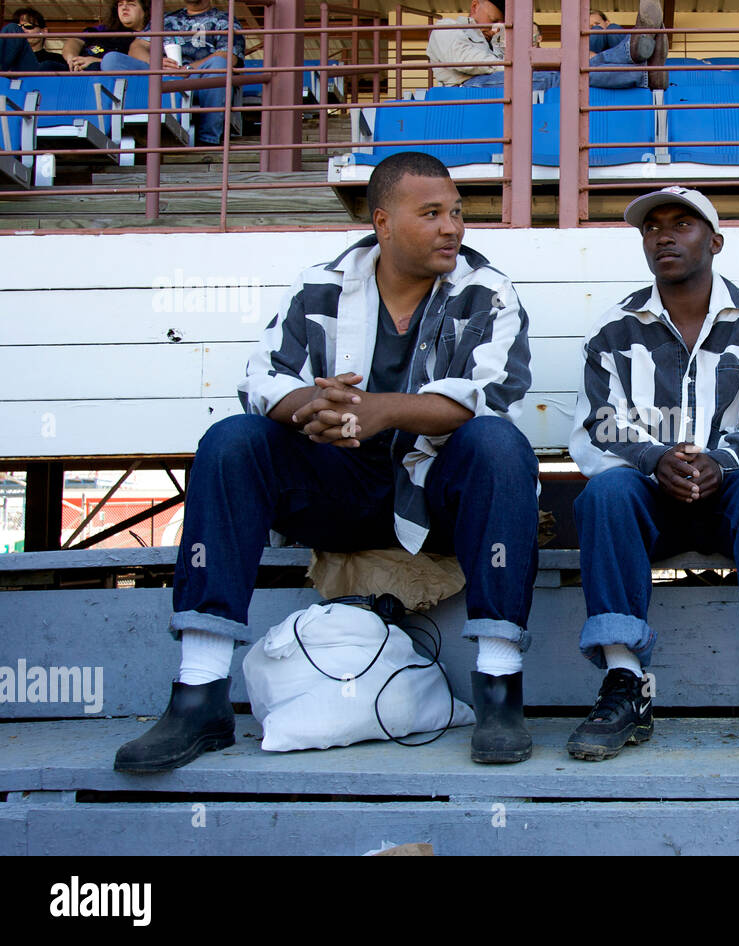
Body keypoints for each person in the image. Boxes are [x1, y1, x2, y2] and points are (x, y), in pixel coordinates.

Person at [113, 152, 540, 772]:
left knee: (499, 444)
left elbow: (492, 395)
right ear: (383, 222)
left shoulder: (486, 291)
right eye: (431, 213)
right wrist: (311, 408)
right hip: (337, 489)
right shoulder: (320, 284)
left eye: (456, 212)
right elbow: (264, 380)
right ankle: (199, 693)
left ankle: (499, 688)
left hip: (433, 496)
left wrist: (380, 410)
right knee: (232, 440)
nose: (452, 227)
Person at [566, 185, 739, 761]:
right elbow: (599, 423)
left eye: (682, 224)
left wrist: (721, 462)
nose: (663, 237)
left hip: (733, 504)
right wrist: (655, 459)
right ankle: (624, 679)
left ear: (715, 242)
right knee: (607, 491)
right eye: (652, 228)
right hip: (653, 501)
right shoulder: (613, 330)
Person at [428, 0, 664, 91]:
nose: (495, 27)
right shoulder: (446, 27)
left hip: (495, 81)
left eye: (500, 22)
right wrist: (518, 64)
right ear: (474, 7)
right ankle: (637, 61)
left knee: (566, 74)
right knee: (556, 78)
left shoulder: (493, 37)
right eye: (492, 20)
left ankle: (637, 63)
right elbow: (468, 60)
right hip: (468, 88)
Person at [96, 0, 244, 145]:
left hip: (196, 78)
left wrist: (188, 69)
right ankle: (121, 129)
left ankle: (207, 139)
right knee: (112, 60)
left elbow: (229, 56)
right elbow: (137, 46)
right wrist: (155, 62)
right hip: (162, 75)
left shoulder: (224, 19)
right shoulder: (167, 18)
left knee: (219, 63)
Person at [62, 0, 151, 72]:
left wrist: (97, 61)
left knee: (94, 67)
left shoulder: (147, 38)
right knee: (53, 63)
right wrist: (72, 59)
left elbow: (131, 64)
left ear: (145, 10)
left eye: (131, 4)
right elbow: (75, 41)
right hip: (76, 67)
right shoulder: (104, 28)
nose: (124, 8)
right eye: (120, 4)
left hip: (100, 71)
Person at [2, 8, 68, 71]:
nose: (22, 30)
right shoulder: (9, 58)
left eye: (28, 26)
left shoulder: (56, 59)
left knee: (48, 65)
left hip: (36, 75)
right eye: (18, 28)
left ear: (44, 31)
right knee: (11, 27)